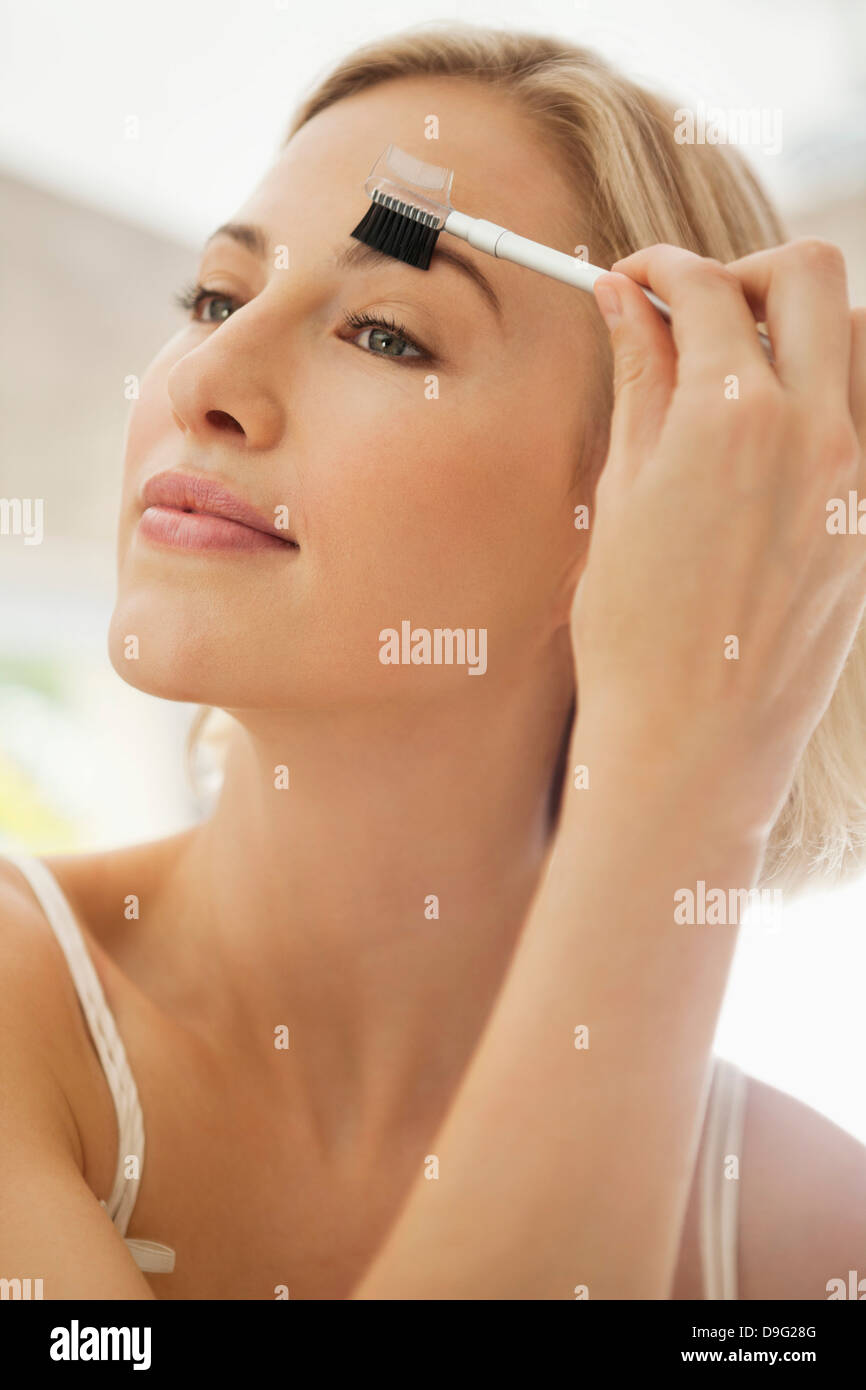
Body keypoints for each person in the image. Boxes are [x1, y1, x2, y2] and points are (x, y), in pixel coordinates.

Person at [2, 22, 865, 1300]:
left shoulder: (803, 1238)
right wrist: (687, 790)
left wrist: (696, 755)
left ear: (649, 507)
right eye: (215, 298)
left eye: (386, 333)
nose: (205, 380)